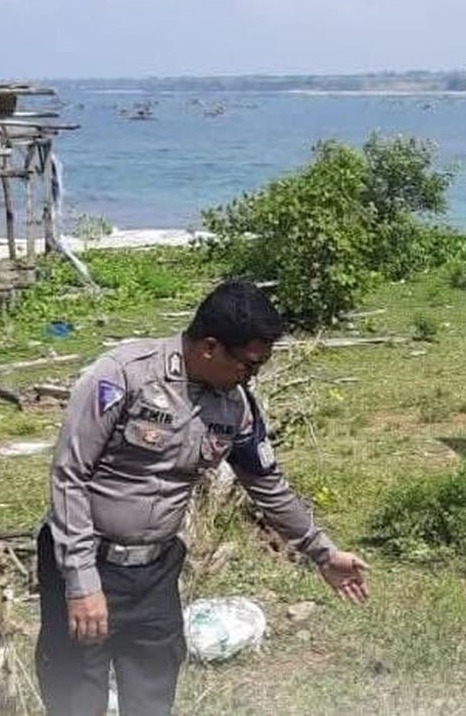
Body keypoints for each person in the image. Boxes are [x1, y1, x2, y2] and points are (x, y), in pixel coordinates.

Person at [35, 280, 369, 716]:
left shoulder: (236, 407)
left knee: (152, 696)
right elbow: (69, 475)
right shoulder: (123, 375)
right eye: (249, 364)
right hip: (84, 564)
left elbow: (268, 485)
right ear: (210, 347)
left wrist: (323, 553)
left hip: (155, 574)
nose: (254, 375)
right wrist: (81, 583)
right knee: (77, 697)